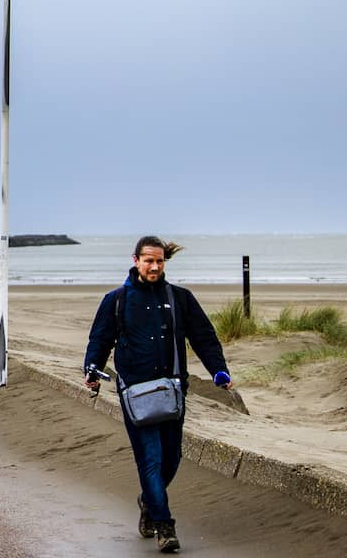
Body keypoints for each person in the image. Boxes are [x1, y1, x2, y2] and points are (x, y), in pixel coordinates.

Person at [83, 236, 234, 554]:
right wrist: (93, 370)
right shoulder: (117, 300)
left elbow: (204, 338)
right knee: (150, 460)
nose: (154, 266)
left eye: (159, 261)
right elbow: (100, 340)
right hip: (135, 394)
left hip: (173, 391)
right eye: (148, 260)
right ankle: (165, 527)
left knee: (172, 458)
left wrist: (219, 371)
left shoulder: (180, 298)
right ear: (135, 260)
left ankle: (148, 501)